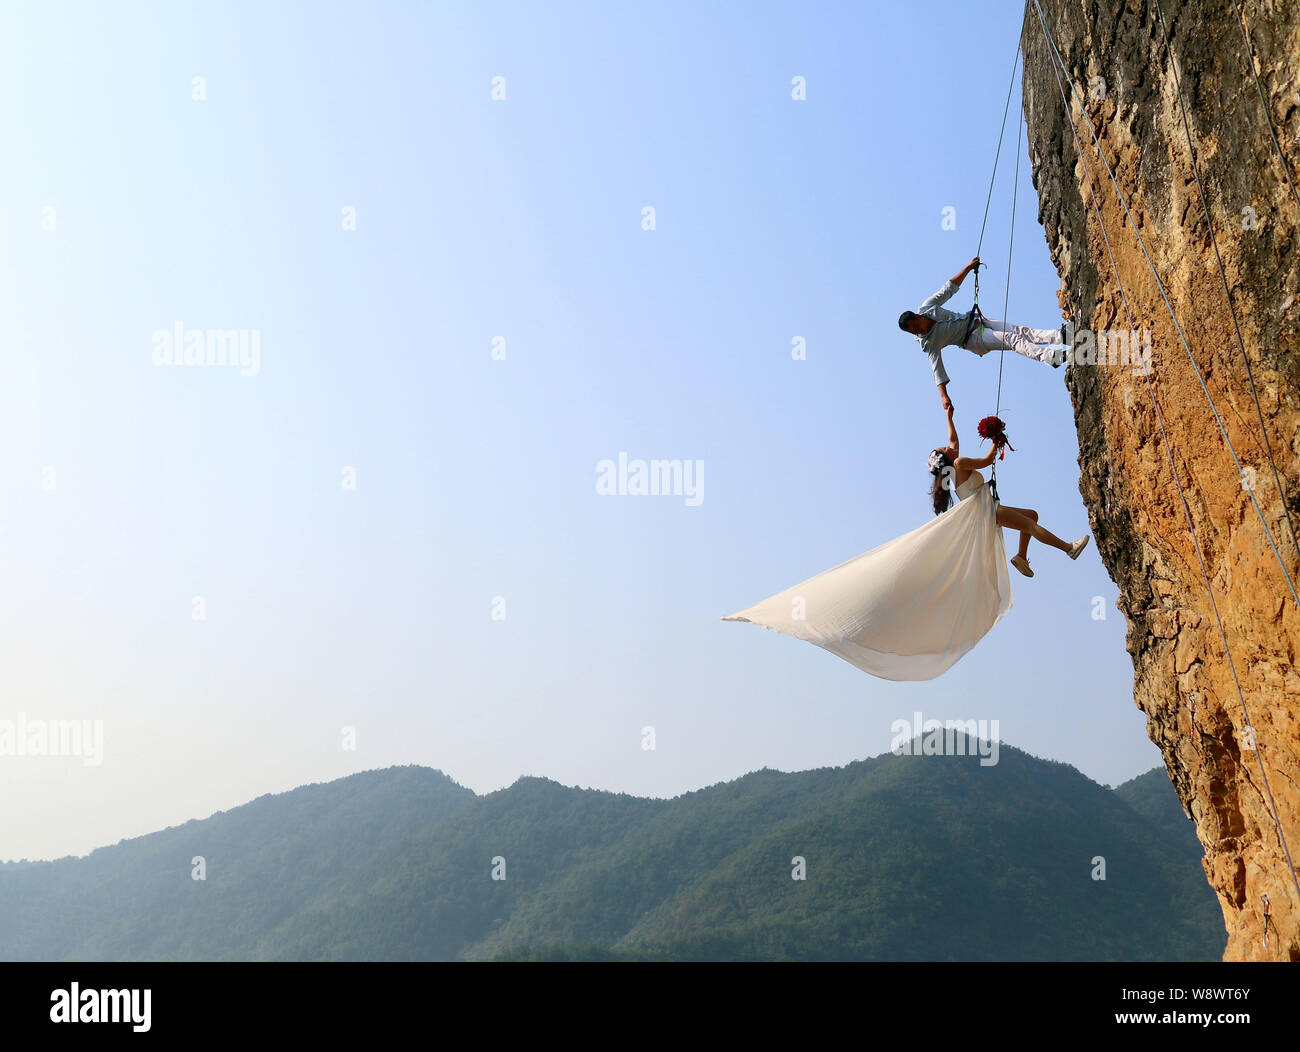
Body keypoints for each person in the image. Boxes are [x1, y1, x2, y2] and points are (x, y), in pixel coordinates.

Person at [928, 402, 1089, 577]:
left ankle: (1021, 557)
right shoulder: (959, 464)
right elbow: (987, 460)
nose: (949, 446)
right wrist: (996, 439)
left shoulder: (951, 472)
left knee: (1031, 515)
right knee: (1030, 525)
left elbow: (953, 441)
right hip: (988, 511)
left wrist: (948, 416)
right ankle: (1069, 548)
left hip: (987, 510)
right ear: (947, 457)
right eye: (944, 448)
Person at [899, 257, 1071, 413]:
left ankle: (1062, 336)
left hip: (977, 321)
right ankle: (1049, 356)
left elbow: (948, 288)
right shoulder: (929, 343)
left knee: (1020, 332)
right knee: (1011, 339)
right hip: (972, 340)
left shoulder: (928, 307)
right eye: (913, 332)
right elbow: (937, 370)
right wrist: (944, 396)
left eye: (916, 327)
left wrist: (968, 267)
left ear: (918, 316)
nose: (918, 332)